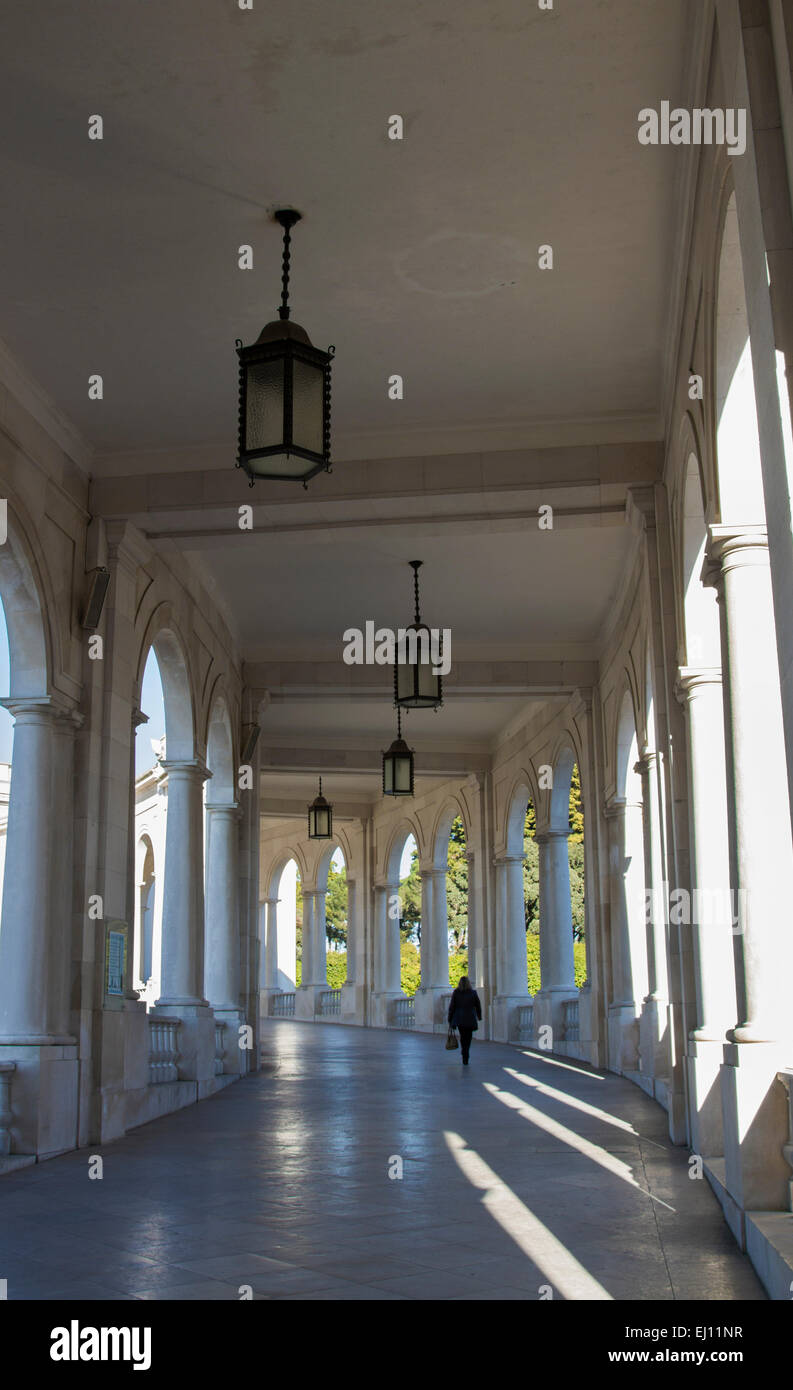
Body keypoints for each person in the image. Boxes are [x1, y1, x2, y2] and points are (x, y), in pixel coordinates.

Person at [447, 976, 482, 1066]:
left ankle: (464, 1051)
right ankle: (466, 1052)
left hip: (460, 1018)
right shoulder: (473, 993)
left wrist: (450, 1018)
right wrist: (479, 1016)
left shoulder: (456, 993)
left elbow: (452, 1007)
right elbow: (478, 1005)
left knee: (462, 1036)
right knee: (468, 1037)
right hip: (470, 1017)